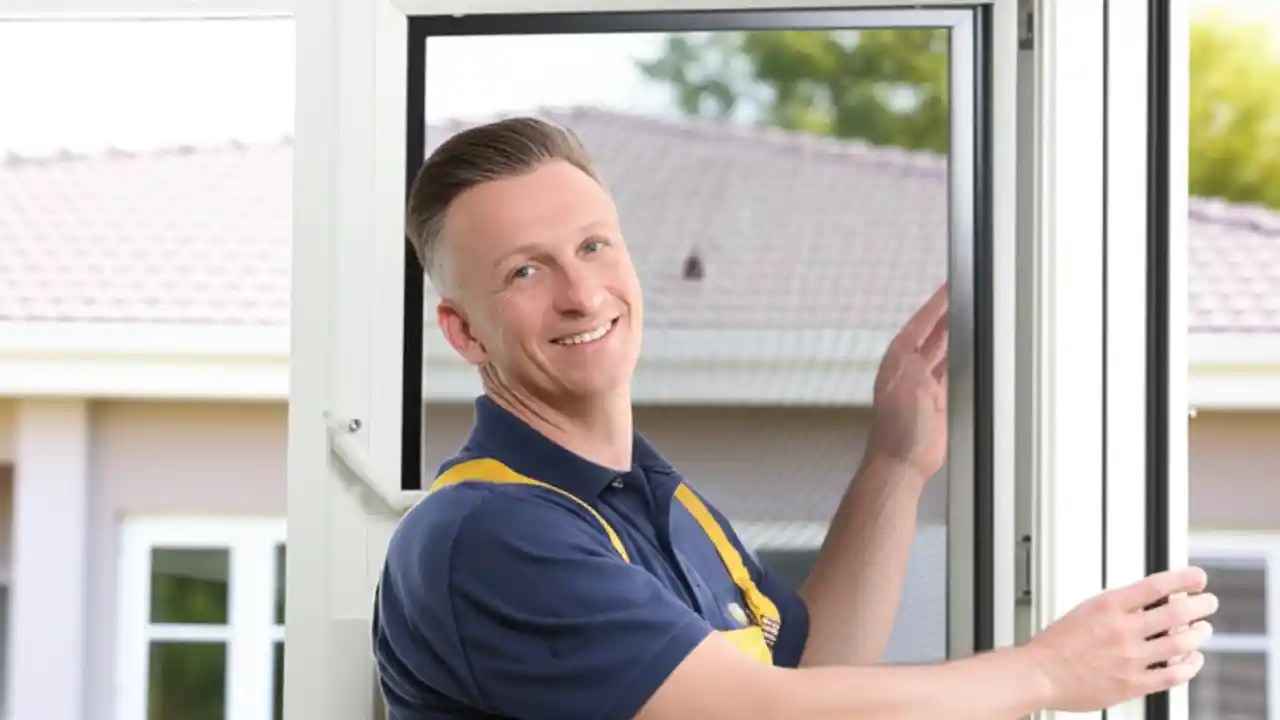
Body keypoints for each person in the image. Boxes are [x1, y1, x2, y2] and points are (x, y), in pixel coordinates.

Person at [371, 116, 1218, 720]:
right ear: (463, 331)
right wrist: (1046, 673)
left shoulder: (659, 500)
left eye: (595, 246)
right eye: (526, 271)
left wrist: (895, 466)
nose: (583, 293)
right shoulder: (489, 533)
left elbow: (812, 673)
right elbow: (764, 714)